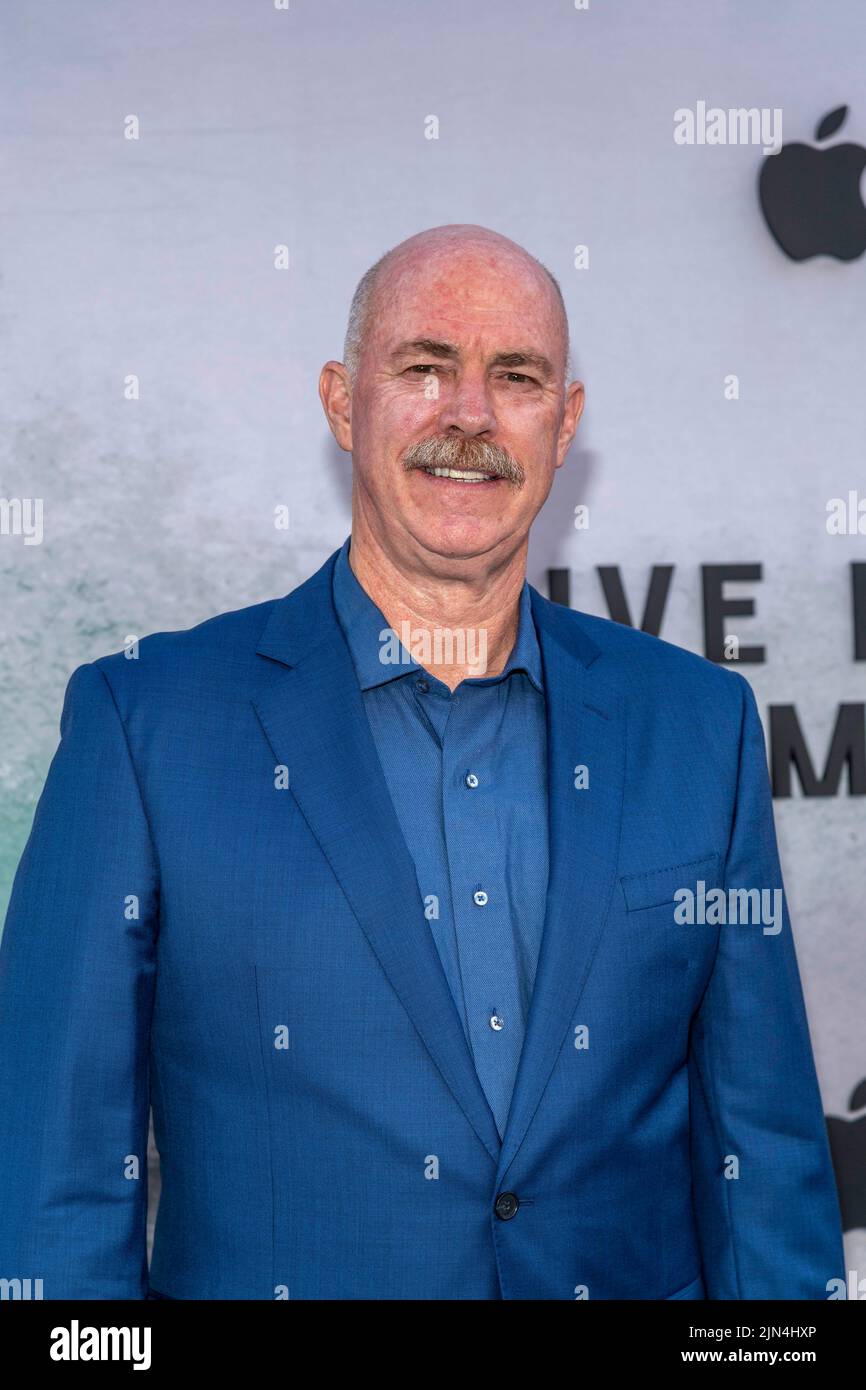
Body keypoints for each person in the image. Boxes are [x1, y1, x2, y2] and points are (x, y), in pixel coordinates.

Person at [0, 224, 845, 1300]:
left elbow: (762, 1169)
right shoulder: (145, 723)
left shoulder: (695, 723)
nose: (469, 415)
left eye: (515, 377)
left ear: (564, 422)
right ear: (342, 402)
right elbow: (54, 1189)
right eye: (423, 368)